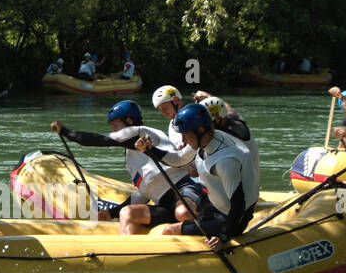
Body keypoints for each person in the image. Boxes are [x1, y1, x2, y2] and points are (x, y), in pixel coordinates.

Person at [50, 100, 202, 234]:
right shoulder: (131, 157)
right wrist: (111, 213)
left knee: (183, 213)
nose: (114, 130)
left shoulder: (140, 132)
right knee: (127, 213)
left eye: (115, 125)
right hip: (163, 206)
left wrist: (66, 132)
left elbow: (100, 140)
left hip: (183, 190)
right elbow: (142, 194)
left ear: (129, 120)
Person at [135, 103, 259, 250]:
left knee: (169, 230)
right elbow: (178, 159)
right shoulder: (209, 139)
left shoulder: (225, 162)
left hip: (231, 218)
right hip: (215, 206)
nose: (183, 140)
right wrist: (149, 149)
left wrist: (223, 237)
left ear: (200, 130)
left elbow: (238, 206)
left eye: (185, 134)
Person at [198, 95, 260, 177]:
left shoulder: (226, 136)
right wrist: (208, 96)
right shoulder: (235, 117)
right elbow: (226, 106)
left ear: (217, 118)